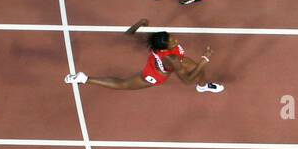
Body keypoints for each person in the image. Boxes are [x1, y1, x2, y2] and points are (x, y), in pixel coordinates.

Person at [63, 20, 224, 93]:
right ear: (165, 47)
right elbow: (187, 81)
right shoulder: (173, 59)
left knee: (198, 70)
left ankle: (203, 86)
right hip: (155, 75)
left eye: (171, 36)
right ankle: (84, 79)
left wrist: (139, 24)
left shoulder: (156, 41)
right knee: (123, 85)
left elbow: (129, 34)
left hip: (162, 61)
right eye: (171, 41)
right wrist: (205, 60)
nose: (174, 39)